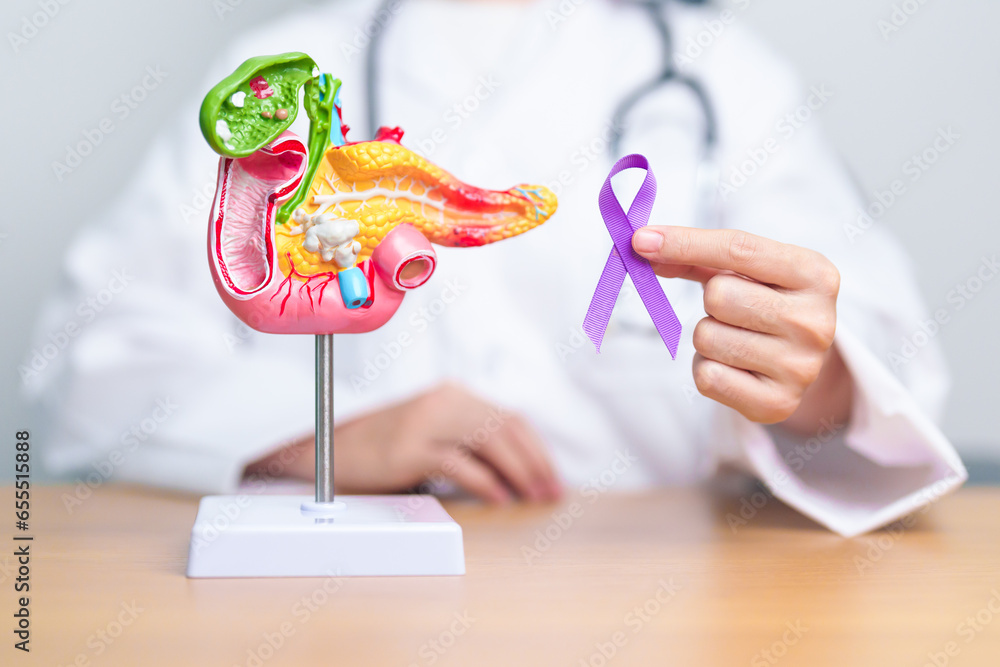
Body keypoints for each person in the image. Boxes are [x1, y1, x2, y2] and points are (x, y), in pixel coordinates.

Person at [25, 0, 965, 536]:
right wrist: (321, 434)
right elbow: (87, 361)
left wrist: (821, 380)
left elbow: (886, 359)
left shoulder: (726, 78)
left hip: (667, 604)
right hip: (346, 612)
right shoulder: (285, 72)